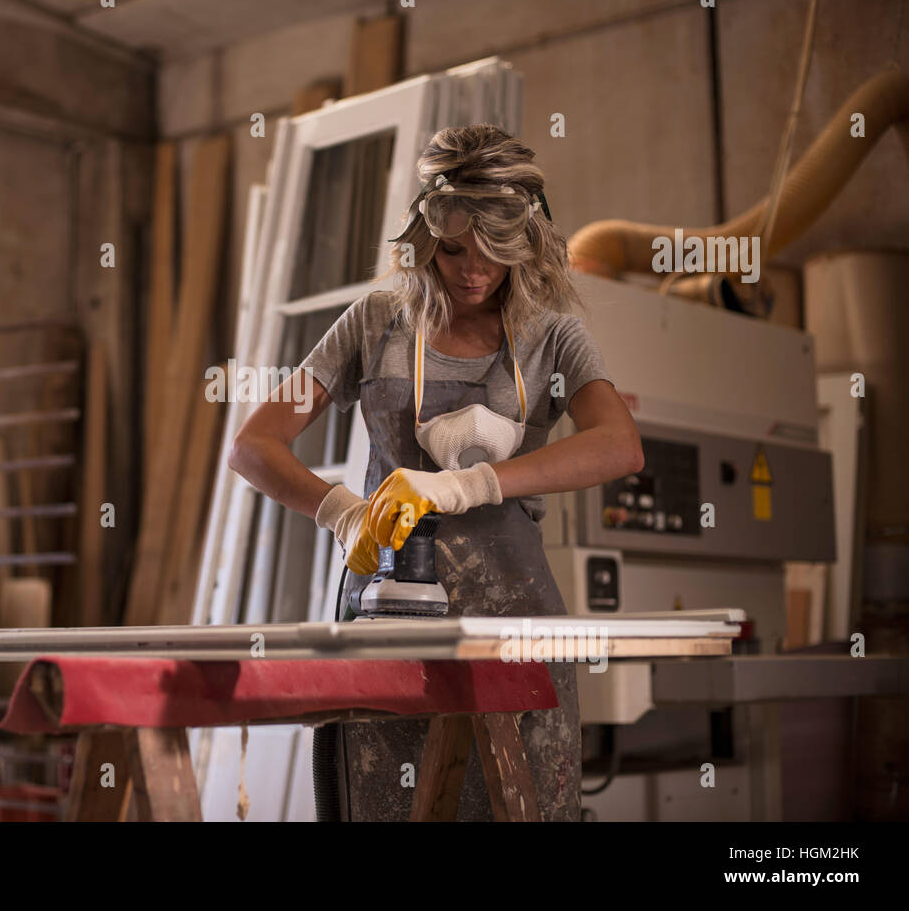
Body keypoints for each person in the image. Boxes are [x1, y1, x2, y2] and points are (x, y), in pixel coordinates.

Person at [227, 123, 644, 821]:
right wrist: (343, 512)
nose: (472, 268)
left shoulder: (553, 335)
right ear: (425, 239)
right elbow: (254, 444)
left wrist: (468, 485)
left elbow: (618, 445)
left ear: (526, 244)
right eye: (453, 249)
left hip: (513, 612)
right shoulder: (375, 322)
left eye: (494, 250)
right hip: (388, 607)